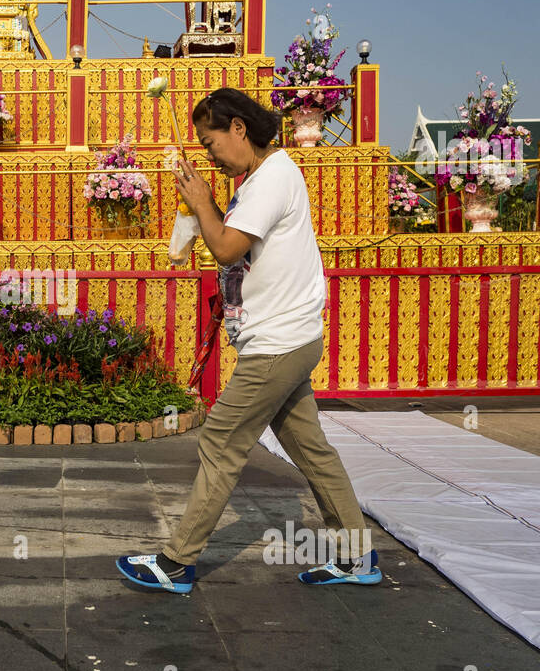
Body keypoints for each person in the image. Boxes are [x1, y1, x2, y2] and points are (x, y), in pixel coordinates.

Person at [116, 87, 378, 594]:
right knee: (310, 447)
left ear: (239, 128)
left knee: (220, 440)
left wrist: (200, 203)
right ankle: (355, 557)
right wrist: (205, 203)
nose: (210, 155)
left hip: (277, 343)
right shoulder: (260, 178)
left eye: (211, 142)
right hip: (291, 338)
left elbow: (227, 248)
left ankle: (177, 562)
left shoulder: (271, 178)